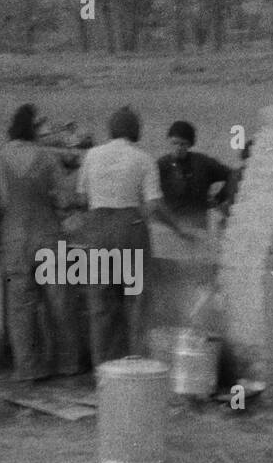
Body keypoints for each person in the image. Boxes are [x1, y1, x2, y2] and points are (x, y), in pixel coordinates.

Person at [75, 106, 195, 366]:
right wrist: (178, 228)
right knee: (137, 300)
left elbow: (82, 198)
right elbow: (154, 205)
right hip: (130, 228)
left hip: (97, 228)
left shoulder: (92, 155)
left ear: (111, 129)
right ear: (135, 130)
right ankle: (135, 365)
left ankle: (104, 369)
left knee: (101, 302)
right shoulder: (143, 159)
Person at [0, 104, 81, 382]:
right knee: (59, 302)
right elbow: (65, 200)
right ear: (34, 130)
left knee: (20, 306)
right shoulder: (47, 159)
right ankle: (67, 364)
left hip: (15, 241)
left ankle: (27, 368)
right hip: (49, 238)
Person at [156, 121, 233, 232]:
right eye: (175, 143)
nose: (178, 148)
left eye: (183, 144)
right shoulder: (161, 166)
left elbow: (232, 175)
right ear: (168, 141)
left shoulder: (203, 163)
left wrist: (218, 199)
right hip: (170, 227)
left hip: (197, 225)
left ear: (190, 144)